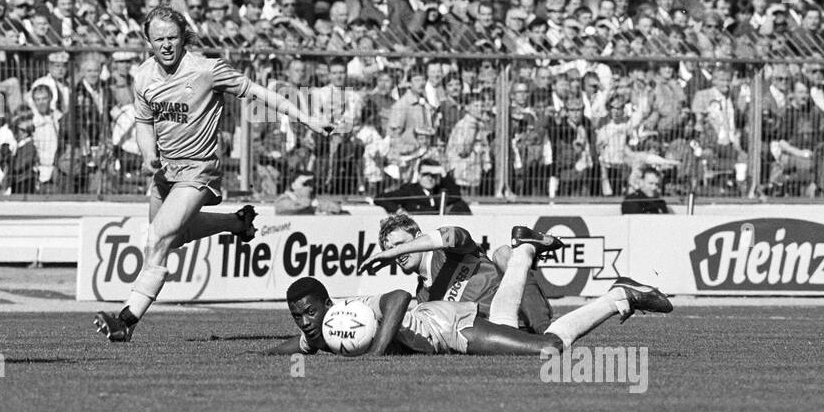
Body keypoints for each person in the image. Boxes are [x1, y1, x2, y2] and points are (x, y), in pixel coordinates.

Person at [93, 6, 336, 342]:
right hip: (166, 172)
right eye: (159, 38)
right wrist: (149, 155)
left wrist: (304, 117)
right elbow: (144, 123)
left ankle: (126, 319)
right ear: (148, 41)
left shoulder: (206, 70)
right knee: (175, 238)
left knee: (158, 237)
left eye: (172, 38)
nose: (166, 45)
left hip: (199, 170)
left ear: (183, 37)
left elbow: (257, 92)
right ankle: (236, 223)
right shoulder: (143, 77)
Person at [268, 250, 671, 356]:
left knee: (547, 348)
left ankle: (619, 296)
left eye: (309, 312)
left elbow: (398, 296)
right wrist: (263, 351)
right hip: (439, 324)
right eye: (297, 317)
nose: (305, 321)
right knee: (508, 324)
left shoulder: (351, 312)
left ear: (327, 303)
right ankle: (522, 253)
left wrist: (376, 352)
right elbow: (299, 344)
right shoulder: (322, 332)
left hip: (449, 327)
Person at [356, 214, 557, 334]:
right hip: (503, 331)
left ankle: (546, 330)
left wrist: (391, 253)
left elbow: (447, 236)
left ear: (418, 237)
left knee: (503, 253)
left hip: (524, 312)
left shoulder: (448, 251)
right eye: (389, 248)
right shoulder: (423, 296)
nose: (396, 253)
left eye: (400, 244)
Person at [373, 157, 470, 214]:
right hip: (418, 234)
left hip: (436, 232)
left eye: (433, 175)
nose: (430, 178)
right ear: (419, 176)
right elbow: (380, 198)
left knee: (461, 206)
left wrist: (442, 172)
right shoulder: (410, 191)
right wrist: (399, 211)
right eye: (425, 174)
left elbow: (456, 197)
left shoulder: (439, 191)